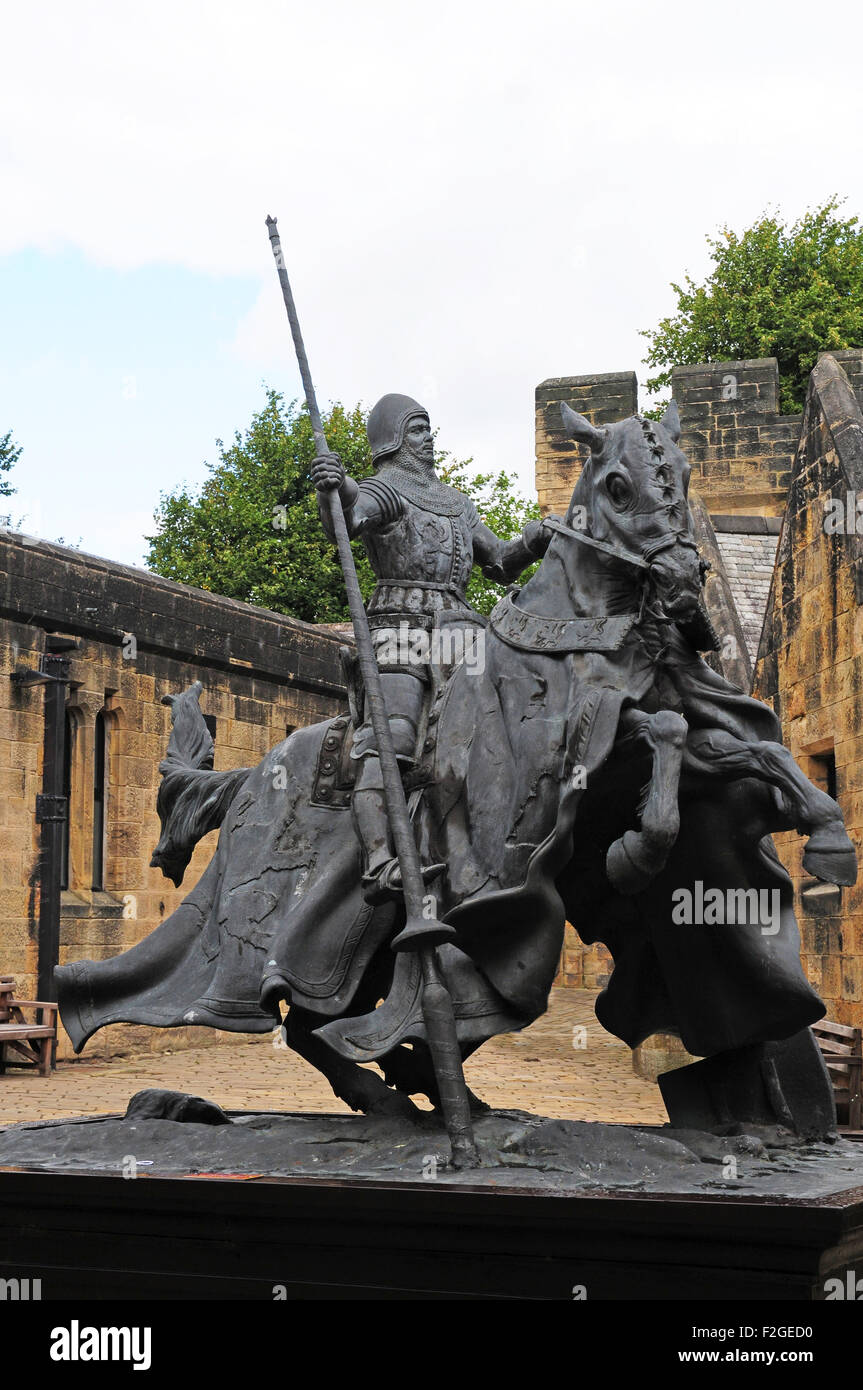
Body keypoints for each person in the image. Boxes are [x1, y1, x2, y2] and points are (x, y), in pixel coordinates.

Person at [312, 392, 554, 901]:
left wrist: (533, 542)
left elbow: (500, 562)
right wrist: (333, 490)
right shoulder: (386, 489)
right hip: (398, 630)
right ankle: (380, 860)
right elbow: (351, 517)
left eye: (428, 428)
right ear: (394, 440)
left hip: (462, 634)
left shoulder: (456, 503)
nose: (429, 439)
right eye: (418, 429)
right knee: (394, 734)